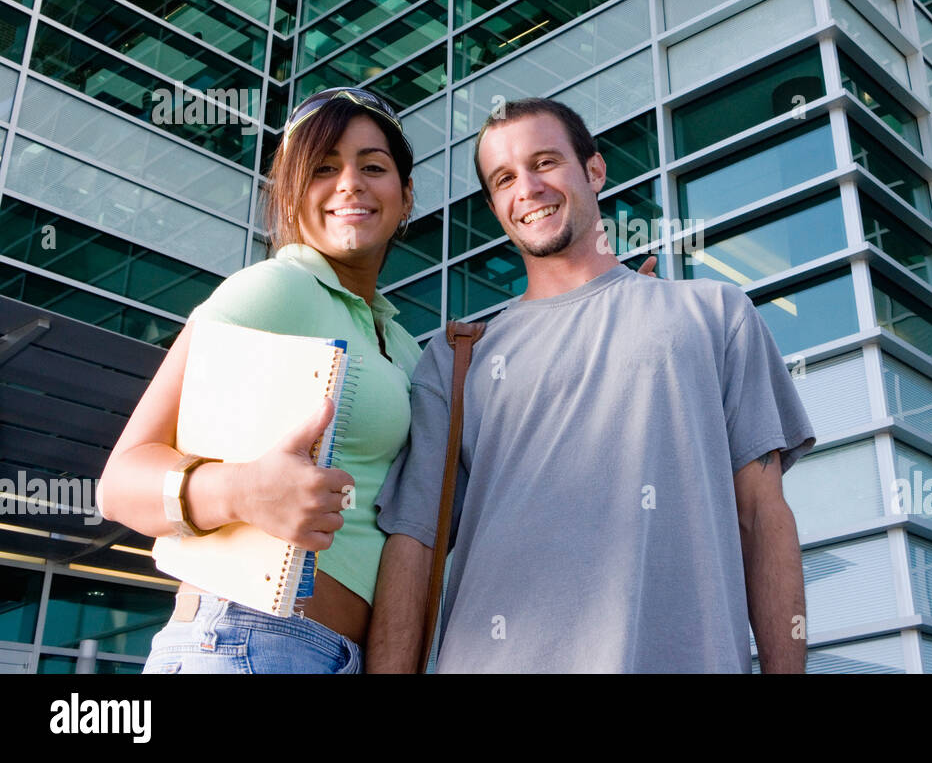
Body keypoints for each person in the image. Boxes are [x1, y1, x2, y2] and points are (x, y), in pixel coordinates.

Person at [368, 97, 815, 673]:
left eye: (545, 162)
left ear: (595, 170)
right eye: (504, 178)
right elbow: (413, 547)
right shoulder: (457, 358)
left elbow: (763, 518)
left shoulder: (715, 315)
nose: (526, 188)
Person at [100, 87, 421, 673]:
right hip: (247, 640)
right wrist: (243, 491)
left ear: (406, 197)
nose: (350, 182)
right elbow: (119, 483)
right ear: (293, 196)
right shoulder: (275, 288)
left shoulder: (402, 344)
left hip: (344, 656)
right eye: (324, 168)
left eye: (372, 167)